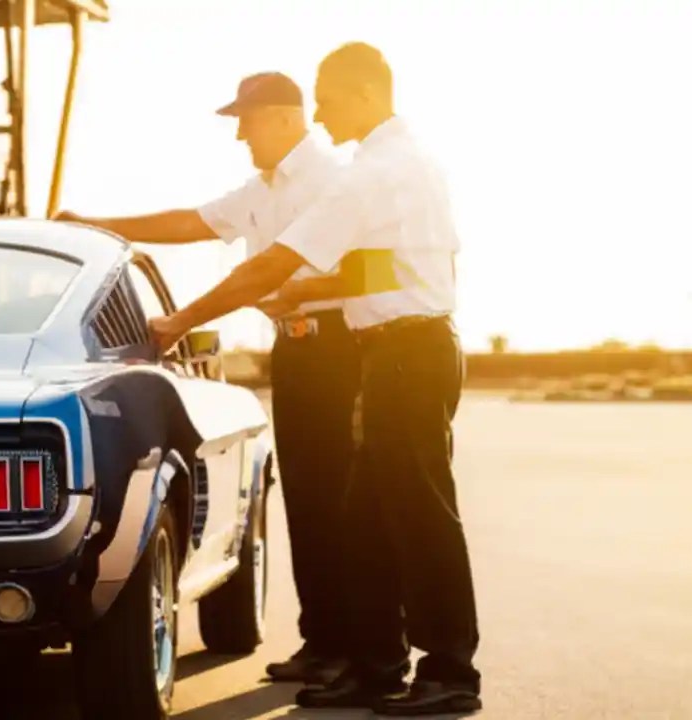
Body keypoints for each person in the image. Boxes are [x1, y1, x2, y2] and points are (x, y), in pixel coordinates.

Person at [145, 41, 482, 715]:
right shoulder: (407, 162)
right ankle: (378, 663)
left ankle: (449, 672)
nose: (319, 117)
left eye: (325, 103)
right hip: (398, 348)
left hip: (406, 353)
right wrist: (311, 293)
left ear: (363, 95)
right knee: (364, 520)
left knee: (419, 517)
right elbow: (393, 267)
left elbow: (269, 266)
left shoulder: (375, 173)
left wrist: (178, 321)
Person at [54, 71, 367, 684]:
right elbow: (189, 222)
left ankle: (362, 647)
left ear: (281, 117)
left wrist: (186, 320)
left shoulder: (336, 181)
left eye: (246, 122)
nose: (242, 136)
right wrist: (95, 223)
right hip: (299, 354)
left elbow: (359, 274)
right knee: (307, 505)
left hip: (343, 352)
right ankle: (323, 643)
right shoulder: (264, 187)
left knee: (348, 507)